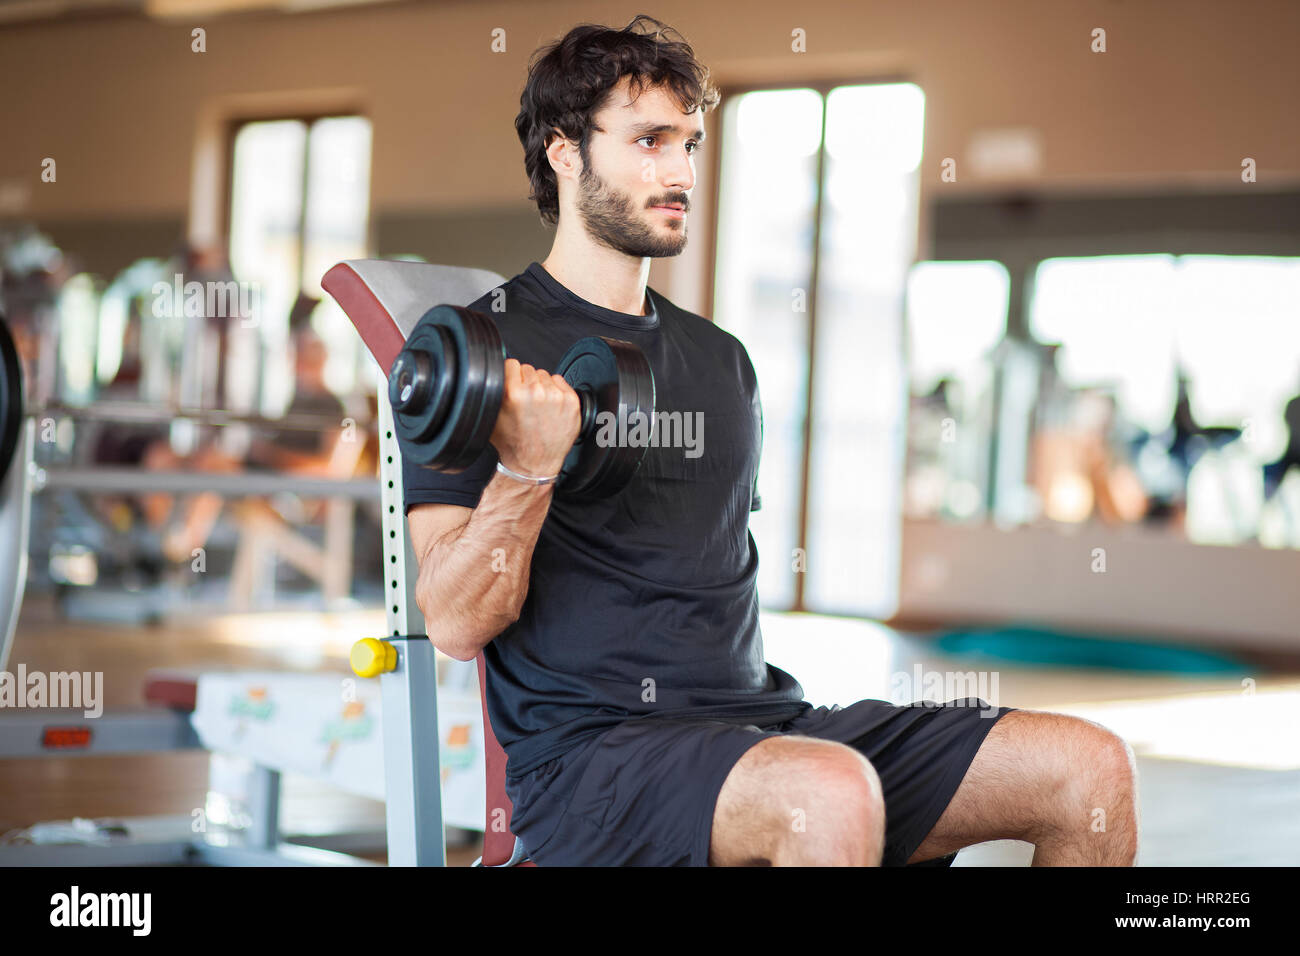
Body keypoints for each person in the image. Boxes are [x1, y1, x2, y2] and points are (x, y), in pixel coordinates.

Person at [403, 16, 1137, 866]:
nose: (681, 172)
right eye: (648, 141)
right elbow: (453, 622)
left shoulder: (722, 361)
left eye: (689, 144)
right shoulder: (480, 351)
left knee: (1089, 770)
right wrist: (529, 468)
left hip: (762, 726)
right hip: (595, 762)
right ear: (565, 152)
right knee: (825, 792)